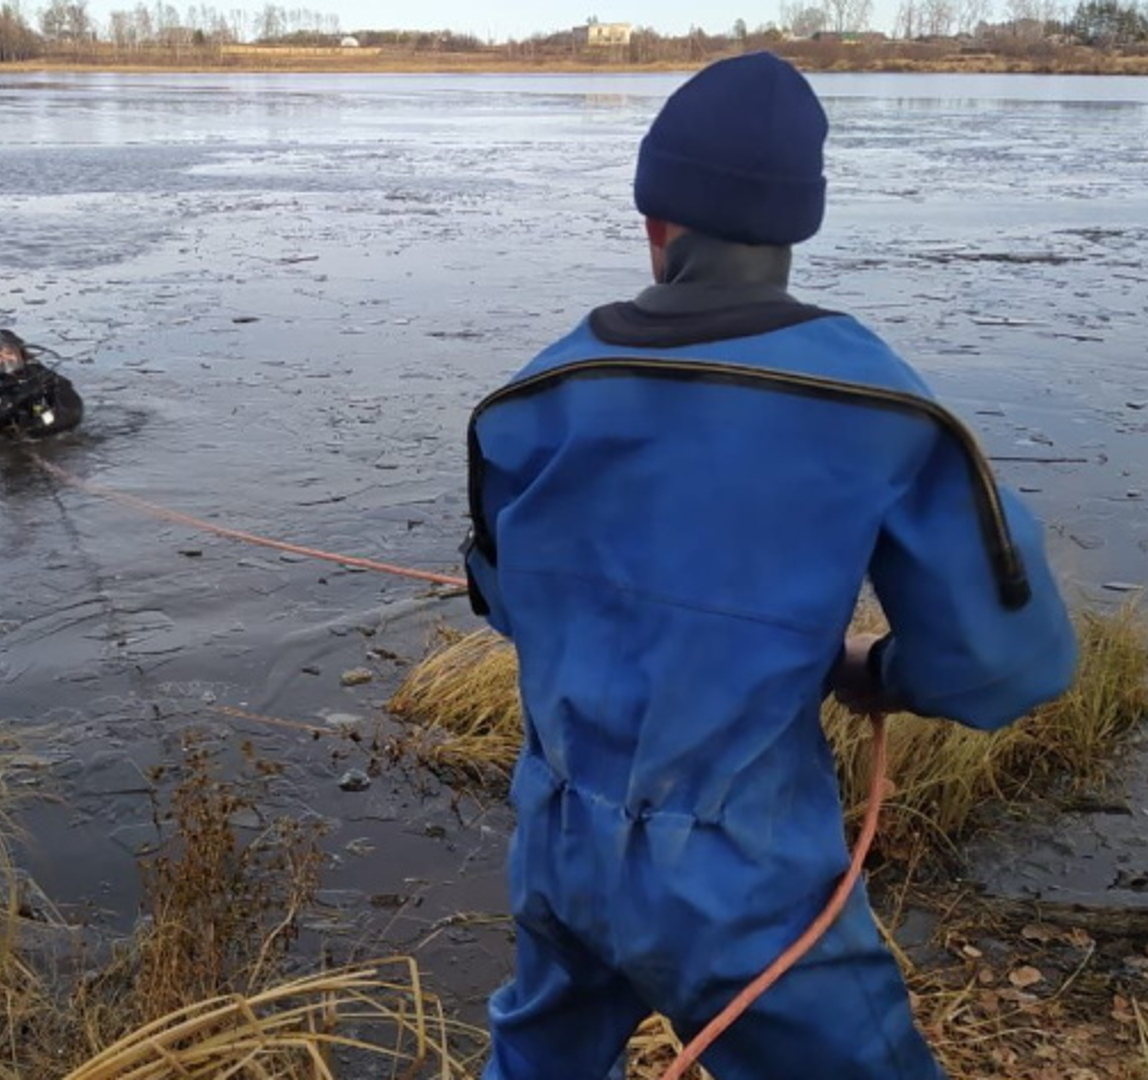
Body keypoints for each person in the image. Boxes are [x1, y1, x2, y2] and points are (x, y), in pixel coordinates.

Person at [461, 52, 1078, 1080]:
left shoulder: (534, 391)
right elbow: (1008, 664)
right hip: (741, 882)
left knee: (538, 1065)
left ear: (657, 224)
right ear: (796, 228)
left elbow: (505, 606)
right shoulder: (879, 405)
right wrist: (869, 673)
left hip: (556, 848)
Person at [0, 328, 83, 437]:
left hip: (43, 434)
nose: (5, 360)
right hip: (3, 443)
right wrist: (15, 400)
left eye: (9, 354)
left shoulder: (43, 377)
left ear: (21, 355)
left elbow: (73, 411)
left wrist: (42, 426)